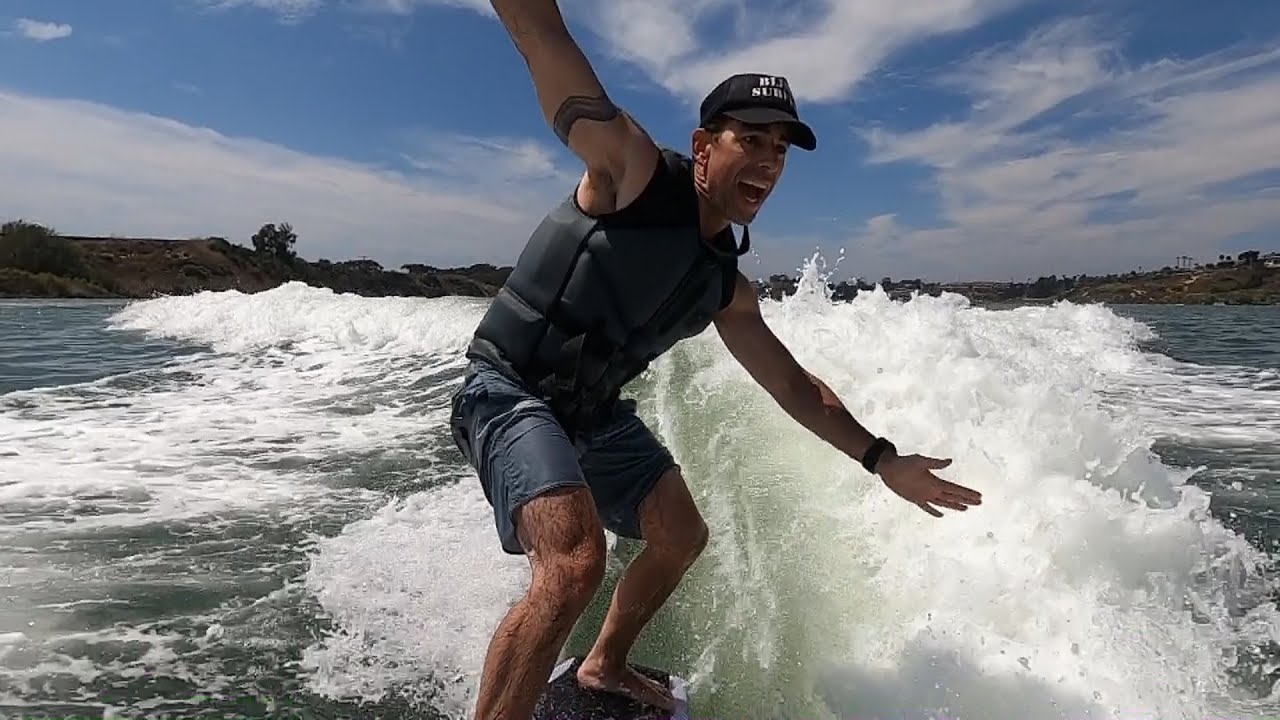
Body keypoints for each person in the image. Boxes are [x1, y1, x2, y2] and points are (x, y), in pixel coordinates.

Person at [447, 1, 984, 717]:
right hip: (508, 390)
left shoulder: (724, 286)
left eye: (780, 149)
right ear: (703, 146)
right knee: (574, 564)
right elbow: (543, 38)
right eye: (751, 139)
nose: (768, 160)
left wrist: (882, 459)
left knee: (681, 535)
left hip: (592, 414)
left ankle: (603, 665)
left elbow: (792, 384)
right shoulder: (631, 173)